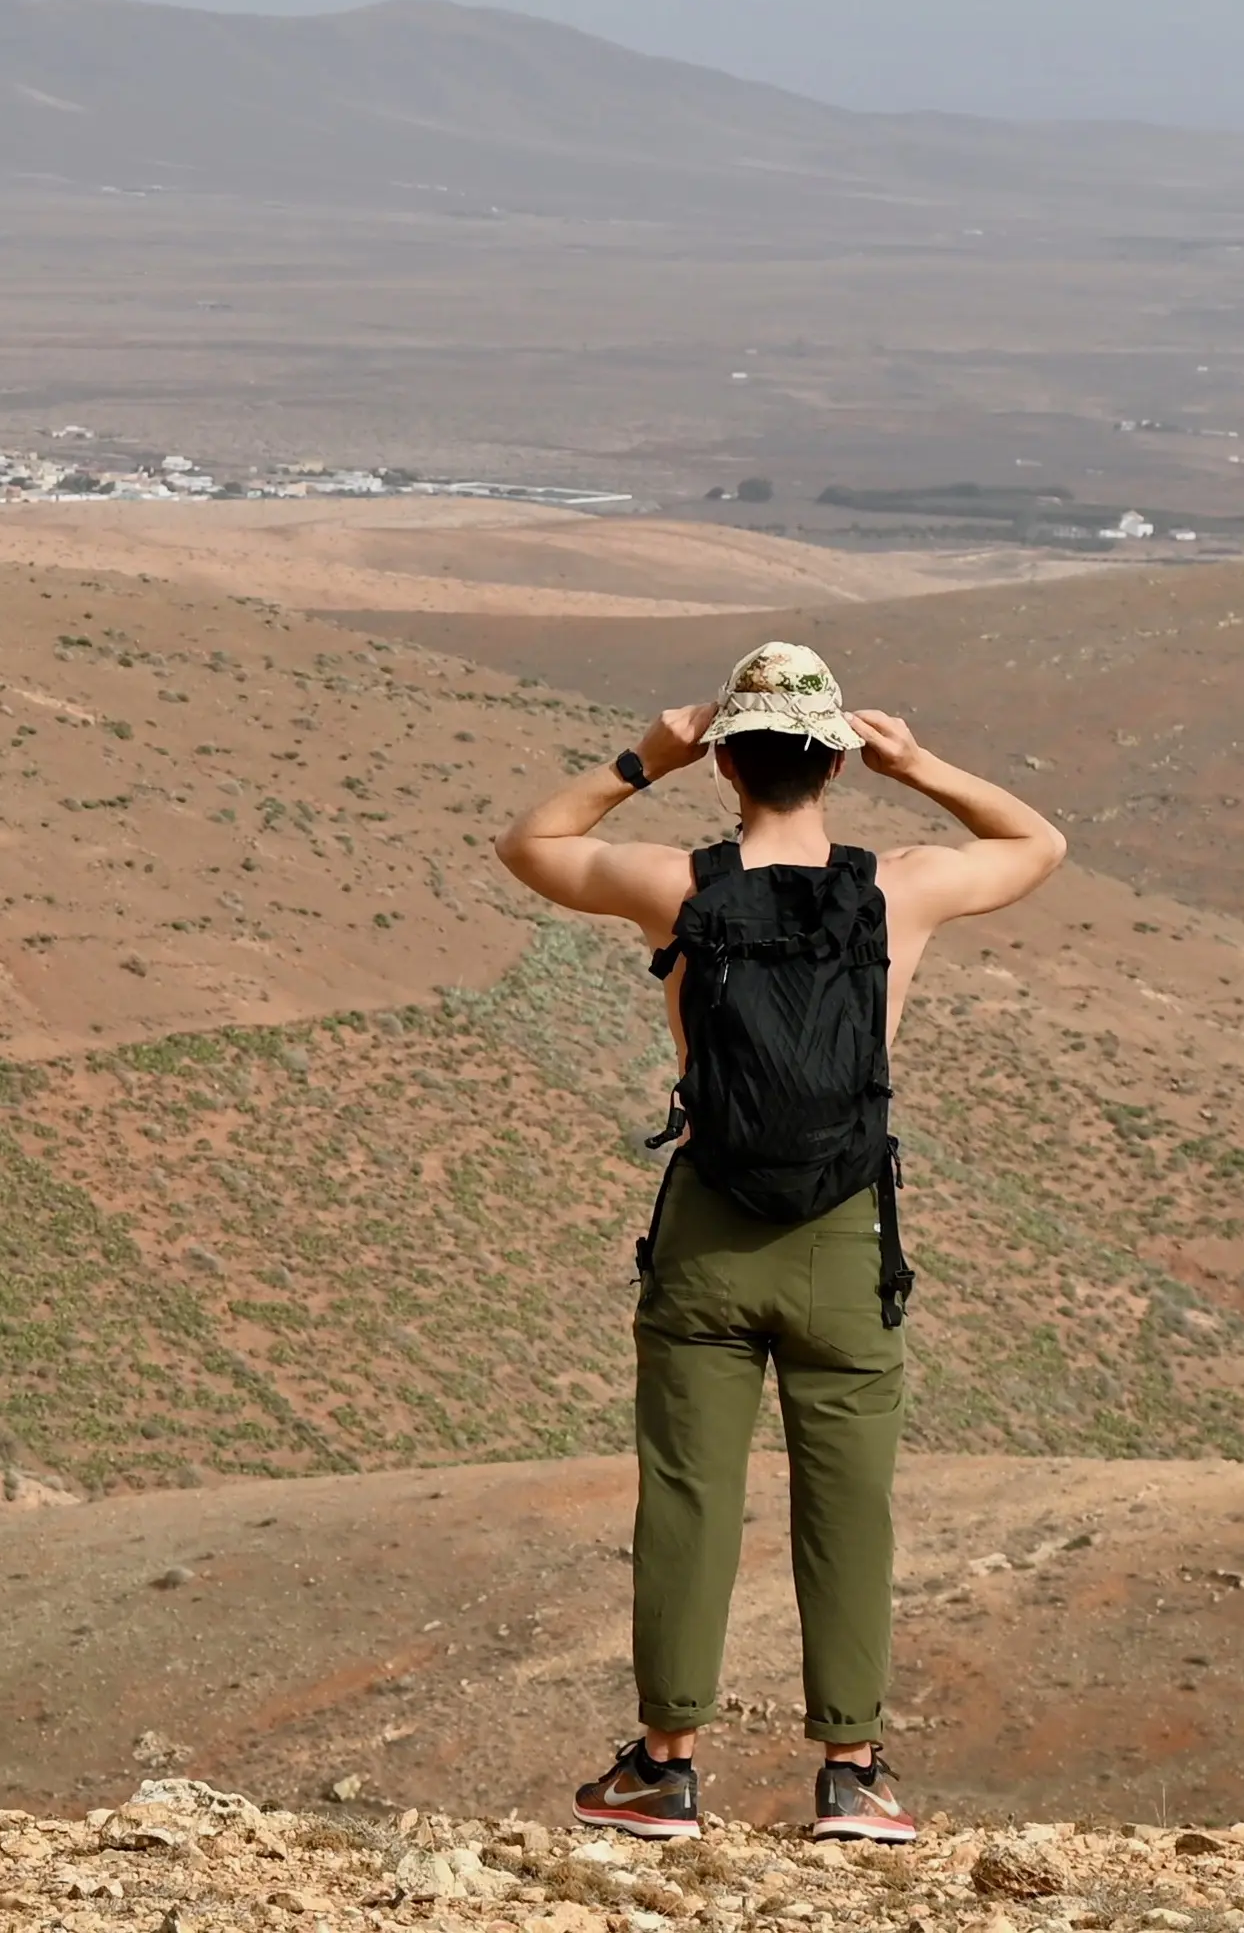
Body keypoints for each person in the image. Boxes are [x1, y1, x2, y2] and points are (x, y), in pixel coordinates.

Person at [494, 643, 1068, 1843]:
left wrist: (643, 754)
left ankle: (664, 1768)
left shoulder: (677, 885)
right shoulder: (899, 888)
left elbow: (531, 845)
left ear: (728, 765)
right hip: (847, 1235)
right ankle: (853, 1774)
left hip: (710, 1228)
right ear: (836, 765)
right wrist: (921, 767)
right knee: (849, 1505)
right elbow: (1037, 845)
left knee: (691, 1495)